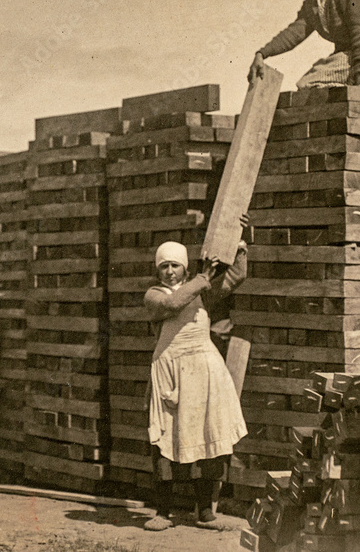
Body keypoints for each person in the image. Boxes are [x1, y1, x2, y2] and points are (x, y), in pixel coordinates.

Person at [142, 224, 250, 532]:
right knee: (165, 442)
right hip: (171, 375)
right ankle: (163, 512)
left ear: (184, 267)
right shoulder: (154, 296)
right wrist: (202, 278)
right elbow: (174, 304)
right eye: (164, 266)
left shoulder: (201, 290)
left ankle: (205, 512)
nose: (170, 271)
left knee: (209, 436)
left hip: (203, 372)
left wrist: (239, 247)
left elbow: (234, 279)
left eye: (175, 265)